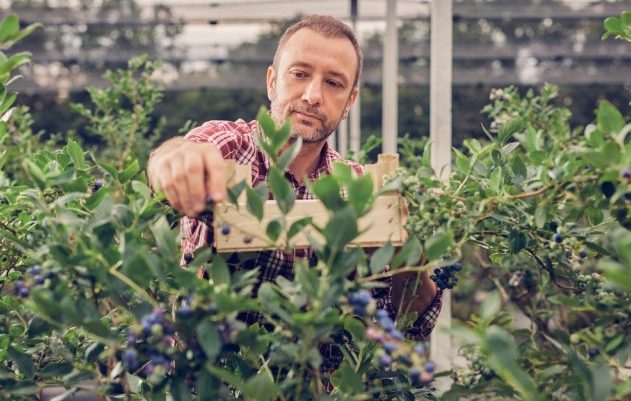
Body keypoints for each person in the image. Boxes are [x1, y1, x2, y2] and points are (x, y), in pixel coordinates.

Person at [147, 15, 441, 341]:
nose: (313, 95)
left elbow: (416, 325)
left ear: (349, 103)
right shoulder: (231, 148)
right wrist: (174, 160)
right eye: (300, 74)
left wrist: (403, 247)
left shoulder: (359, 188)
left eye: (333, 83)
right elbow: (180, 155)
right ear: (272, 82)